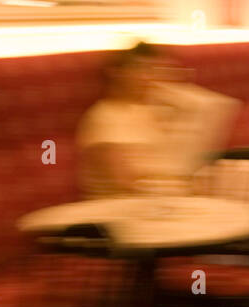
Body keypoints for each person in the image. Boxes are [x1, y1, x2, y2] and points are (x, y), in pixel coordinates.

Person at [77, 42, 180, 197]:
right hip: (121, 205)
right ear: (116, 72)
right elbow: (122, 181)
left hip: (161, 201)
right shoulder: (105, 116)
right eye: (140, 69)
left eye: (153, 70)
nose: (149, 78)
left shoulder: (152, 111)